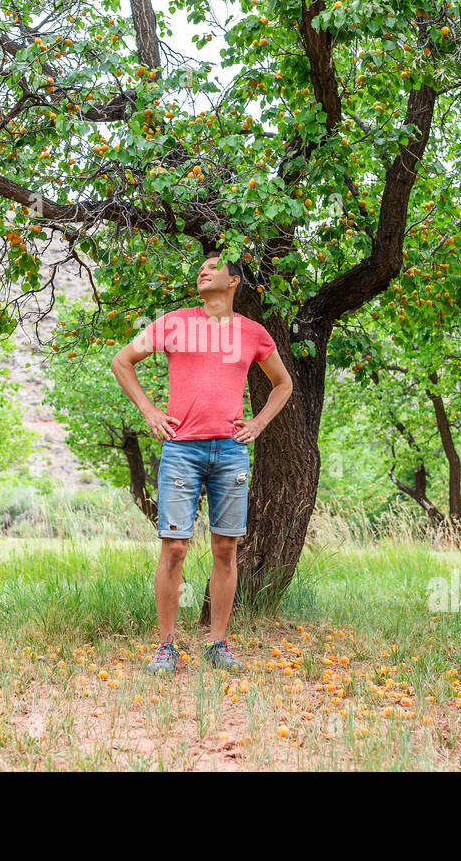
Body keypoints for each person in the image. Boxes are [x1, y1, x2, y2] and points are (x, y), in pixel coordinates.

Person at [110, 251, 293, 673]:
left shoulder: (252, 333)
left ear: (234, 282)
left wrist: (260, 423)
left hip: (230, 451)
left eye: (213, 267)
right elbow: (122, 361)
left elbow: (283, 384)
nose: (203, 271)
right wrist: (151, 413)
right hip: (181, 450)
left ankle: (217, 645)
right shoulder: (175, 322)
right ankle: (166, 647)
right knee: (174, 548)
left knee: (226, 549)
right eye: (200, 268)